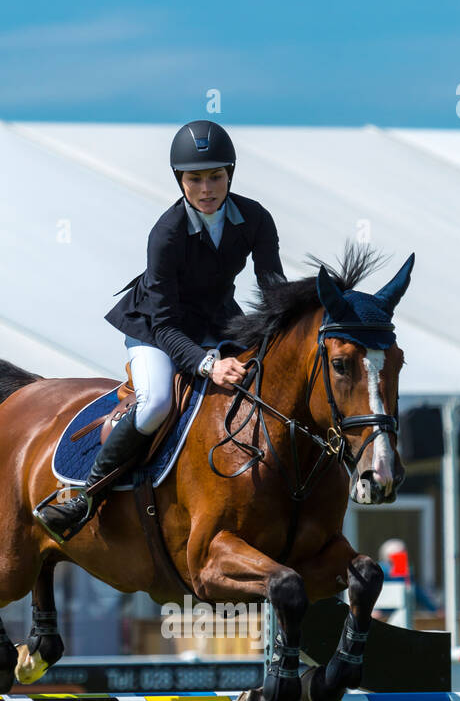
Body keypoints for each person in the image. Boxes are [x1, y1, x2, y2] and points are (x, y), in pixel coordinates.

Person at [36, 119, 286, 543]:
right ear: (180, 181)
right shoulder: (167, 233)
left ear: (230, 175)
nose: (206, 189)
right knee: (154, 404)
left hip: (217, 318)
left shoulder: (256, 219)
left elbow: (273, 291)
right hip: (155, 327)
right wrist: (208, 366)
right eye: (195, 180)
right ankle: (86, 494)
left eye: (215, 177)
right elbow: (166, 323)